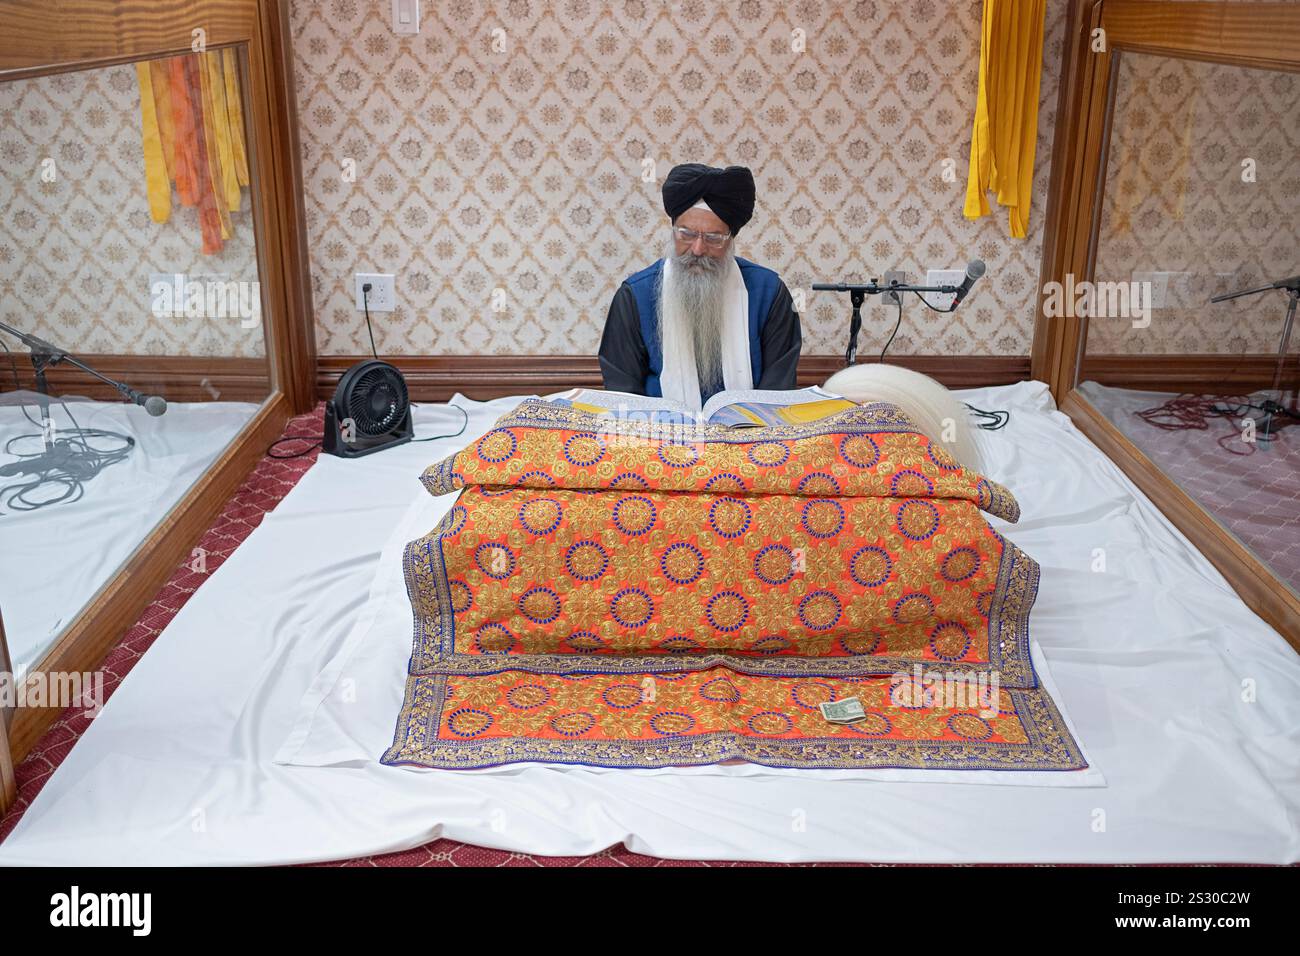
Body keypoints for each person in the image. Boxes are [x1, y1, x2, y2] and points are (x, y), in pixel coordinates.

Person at [597, 163, 802, 409]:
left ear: (731, 239)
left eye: (714, 238)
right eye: (686, 234)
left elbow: (778, 395)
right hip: (660, 441)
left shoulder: (770, 294)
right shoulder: (634, 296)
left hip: (749, 441)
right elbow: (623, 394)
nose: (698, 249)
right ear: (673, 229)